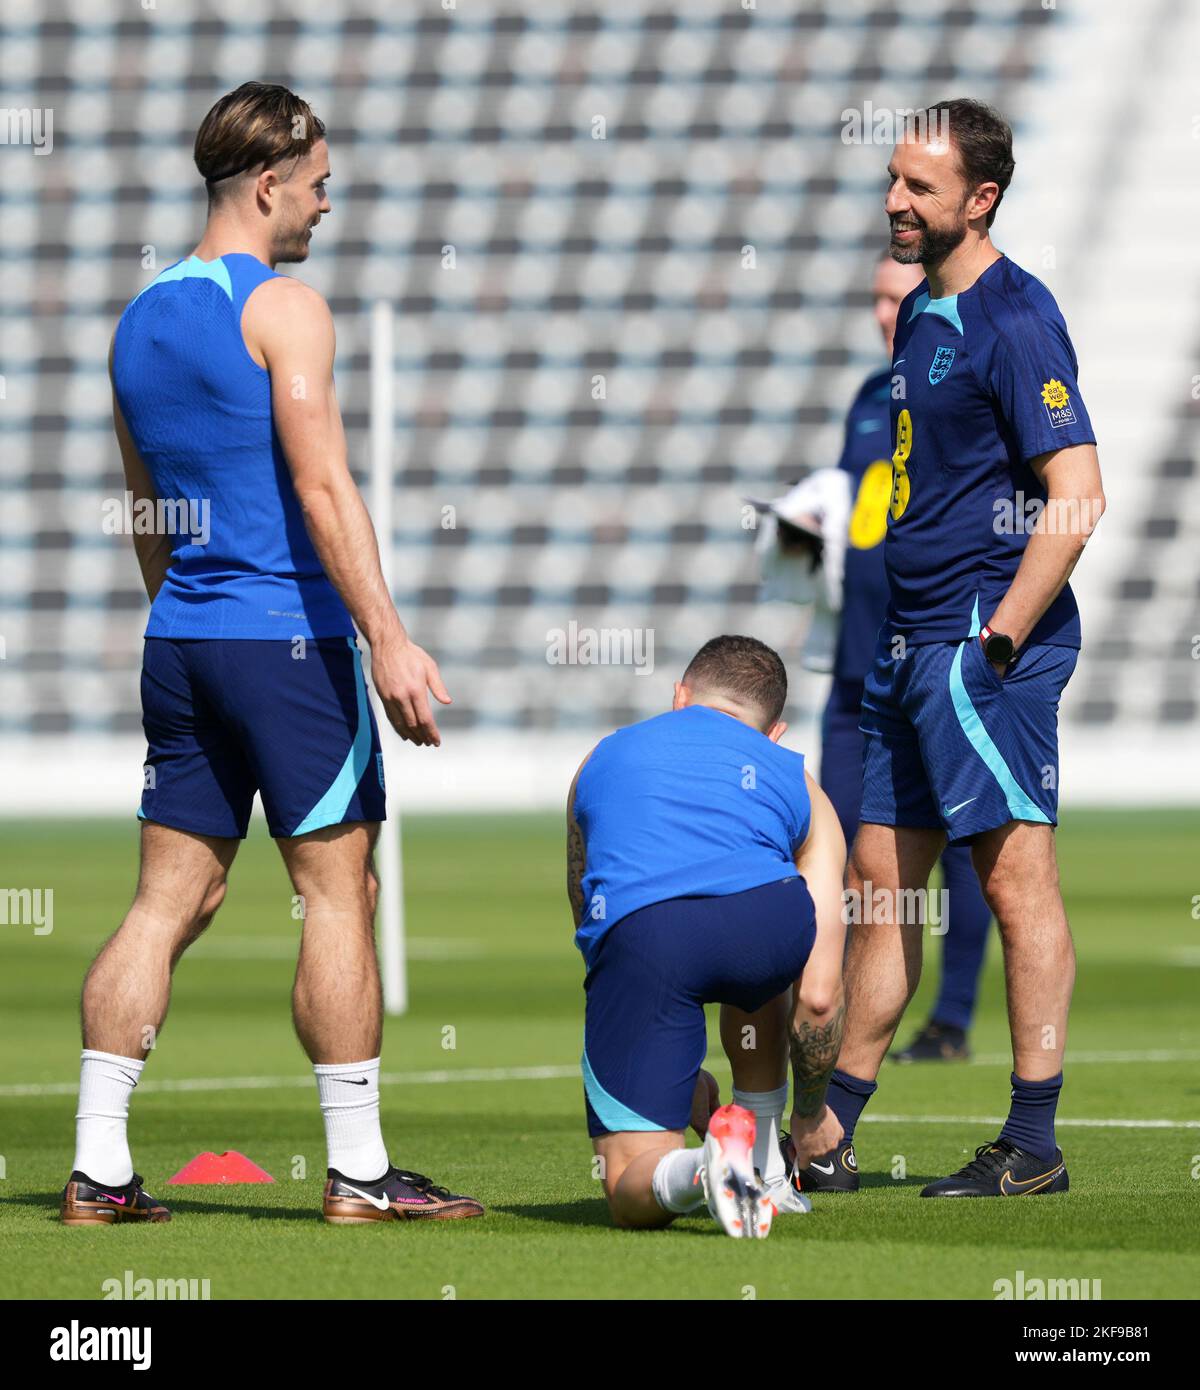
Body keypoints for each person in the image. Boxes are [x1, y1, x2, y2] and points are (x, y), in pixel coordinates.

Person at [61, 82, 482, 1226]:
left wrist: (183, 620)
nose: (325, 205)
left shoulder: (138, 320)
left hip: (183, 638)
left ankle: (98, 1167)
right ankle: (360, 1172)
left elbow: (145, 504)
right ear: (266, 183)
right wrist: (389, 639)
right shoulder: (286, 309)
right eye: (319, 185)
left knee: (167, 900)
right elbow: (321, 483)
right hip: (288, 644)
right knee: (339, 893)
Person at [822, 98, 1105, 1198]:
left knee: (1017, 881)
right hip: (906, 646)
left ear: (981, 199)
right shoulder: (921, 311)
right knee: (881, 890)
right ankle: (829, 1134)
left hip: (973, 649)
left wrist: (995, 642)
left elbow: (1077, 496)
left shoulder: (1015, 318)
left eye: (919, 187)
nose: (895, 199)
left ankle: (1033, 1144)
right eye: (893, 178)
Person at [566, 636, 846, 1236]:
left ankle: (703, 1166)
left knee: (631, 1186)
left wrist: (651, 1042)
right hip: (765, 925)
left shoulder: (600, 757)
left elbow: (588, 905)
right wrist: (812, 1114)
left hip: (645, 933)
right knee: (762, 914)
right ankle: (767, 1163)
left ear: (679, 696)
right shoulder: (798, 780)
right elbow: (820, 999)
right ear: (775, 733)